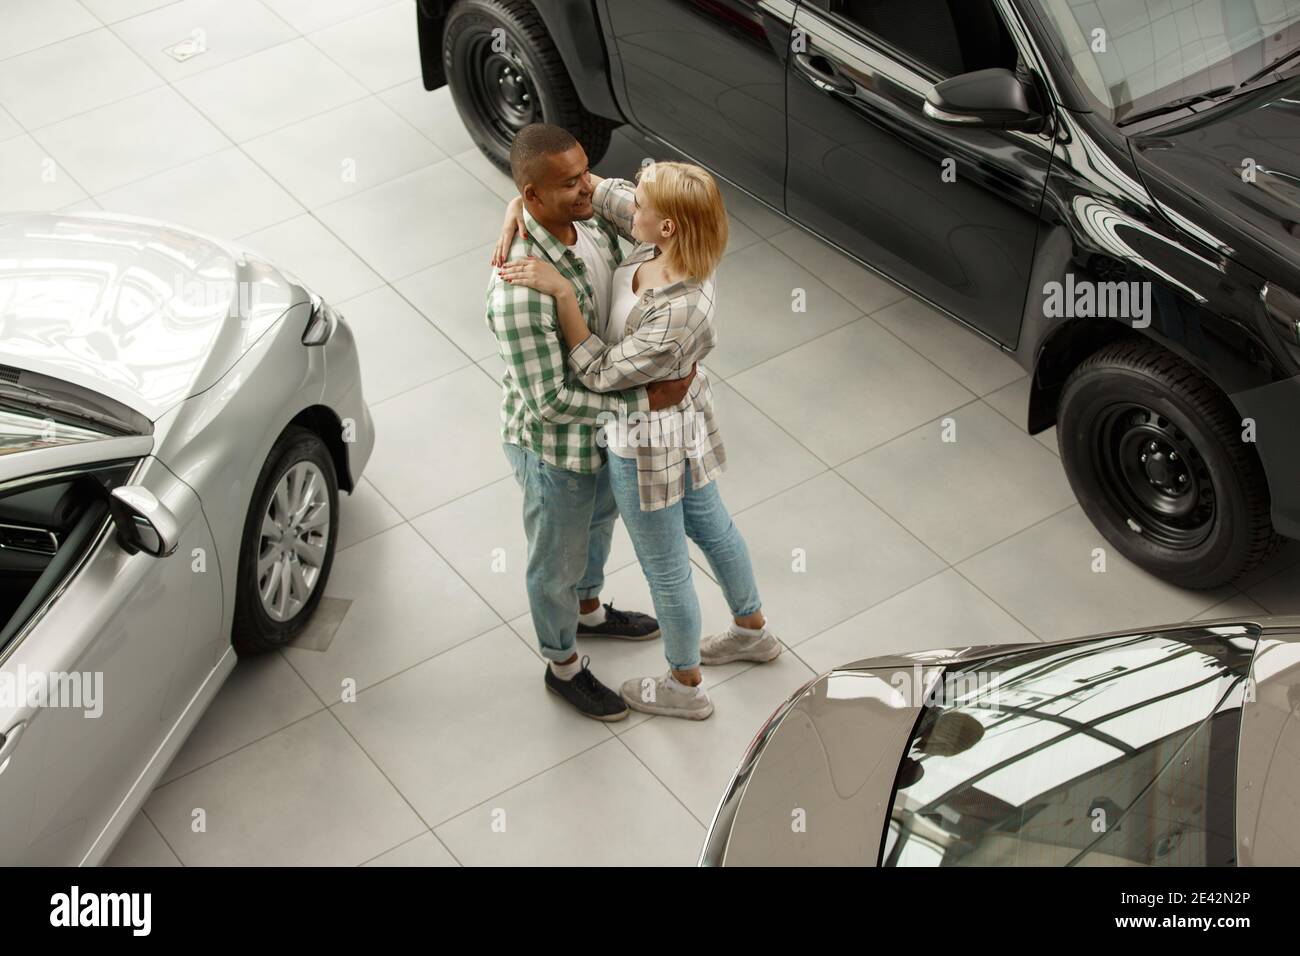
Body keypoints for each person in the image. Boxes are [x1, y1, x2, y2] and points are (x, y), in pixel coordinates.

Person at [495, 151, 780, 721]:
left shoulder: (679, 313)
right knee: (712, 525)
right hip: (681, 422)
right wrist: (515, 207)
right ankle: (753, 631)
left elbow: (599, 372)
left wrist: (564, 295)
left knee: (667, 566)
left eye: (642, 205)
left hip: (646, 441)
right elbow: (593, 192)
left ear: (665, 224)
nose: (626, 204)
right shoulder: (671, 240)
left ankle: (684, 684)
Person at [486, 123, 695, 723]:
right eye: (571, 183)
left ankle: (590, 612)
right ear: (532, 195)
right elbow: (550, 401)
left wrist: (573, 192)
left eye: (586, 173)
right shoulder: (519, 294)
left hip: (602, 428)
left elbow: (649, 209)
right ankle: (563, 665)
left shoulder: (593, 219)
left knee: (599, 524)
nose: (589, 190)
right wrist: (640, 405)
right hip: (555, 447)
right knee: (556, 556)